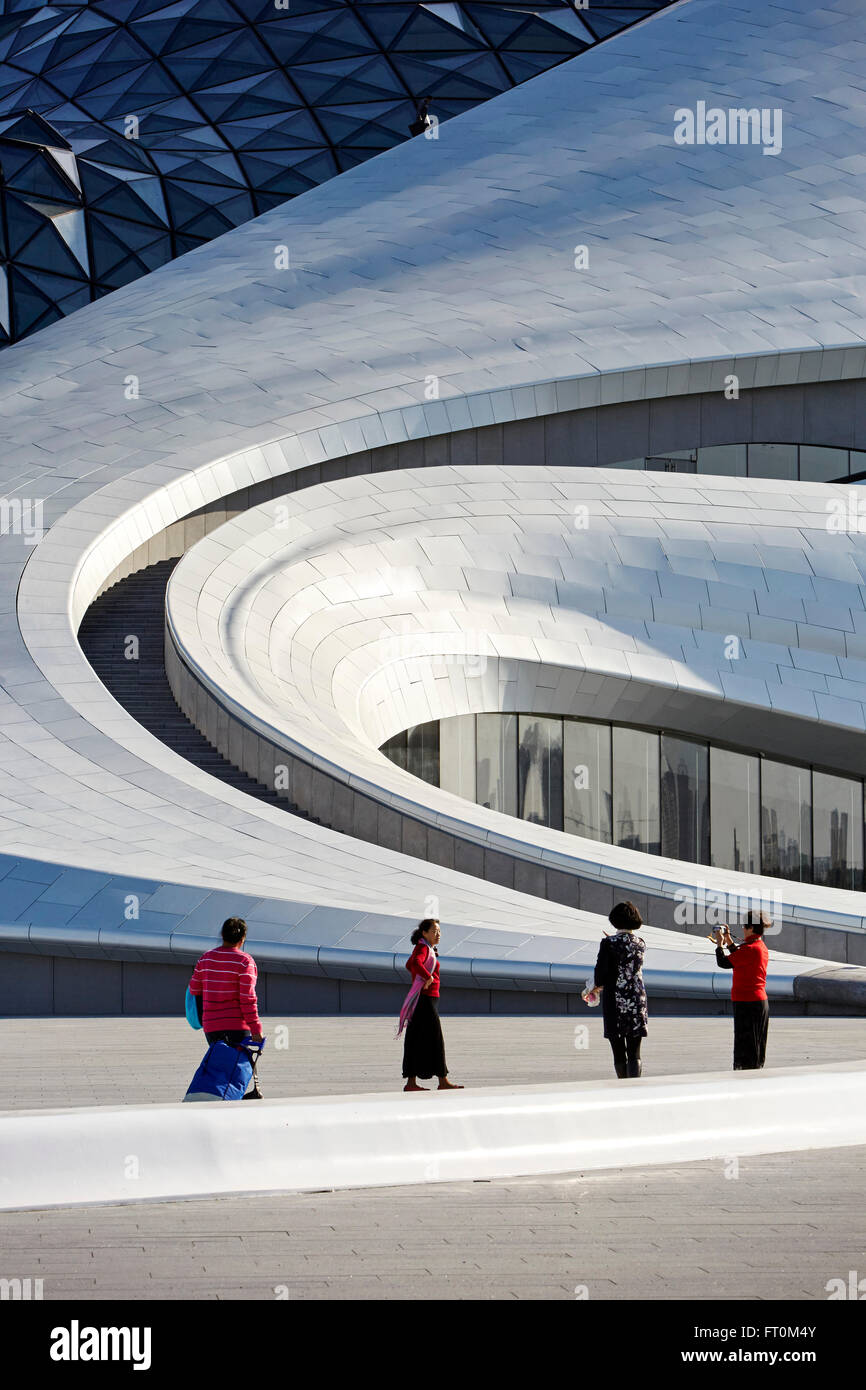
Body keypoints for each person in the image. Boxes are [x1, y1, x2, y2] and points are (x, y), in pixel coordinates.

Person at [401, 919, 463, 1092]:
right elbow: (414, 964)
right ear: (424, 933)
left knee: (415, 1039)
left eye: (439, 931)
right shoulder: (422, 948)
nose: (438, 934)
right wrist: (426, 977)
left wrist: (419, 978)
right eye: (434, 931)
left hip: (425, 999)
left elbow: (409, 964)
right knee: (435, 1039)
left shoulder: (425, 948)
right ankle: (442, 1080)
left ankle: (411, 1082)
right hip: (425, 1000)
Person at [587, 901, 648, 1078]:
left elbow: (600, 976)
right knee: (635, 1050)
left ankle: (623, 1084)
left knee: (618, 1048)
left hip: (616, 999)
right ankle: (635, 1084)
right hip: (637, 998)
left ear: (614, 921)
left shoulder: (608, 943)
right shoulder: (641, 943)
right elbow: (627, 954)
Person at [188, 917, 264, 1048]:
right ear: (243, 938)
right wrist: (256, 1029)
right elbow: (247, 999)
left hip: (211, 1026)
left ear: (222, 935)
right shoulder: (245, 961)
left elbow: (194, 989)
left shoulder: (205, 959)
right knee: (237, 1065)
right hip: (237, 1027)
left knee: (218, 1064)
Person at [712, 912, 769, 1070]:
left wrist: (719, 944)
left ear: (751, 928)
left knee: (747, 1047)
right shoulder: (758, 946)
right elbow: (739, 958)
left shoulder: (751, 949)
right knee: (753, 1045)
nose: (743, 930)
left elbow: (724, 963)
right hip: (754, 1001)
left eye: (744, 927)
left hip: (748, 1002)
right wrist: (729, 941)